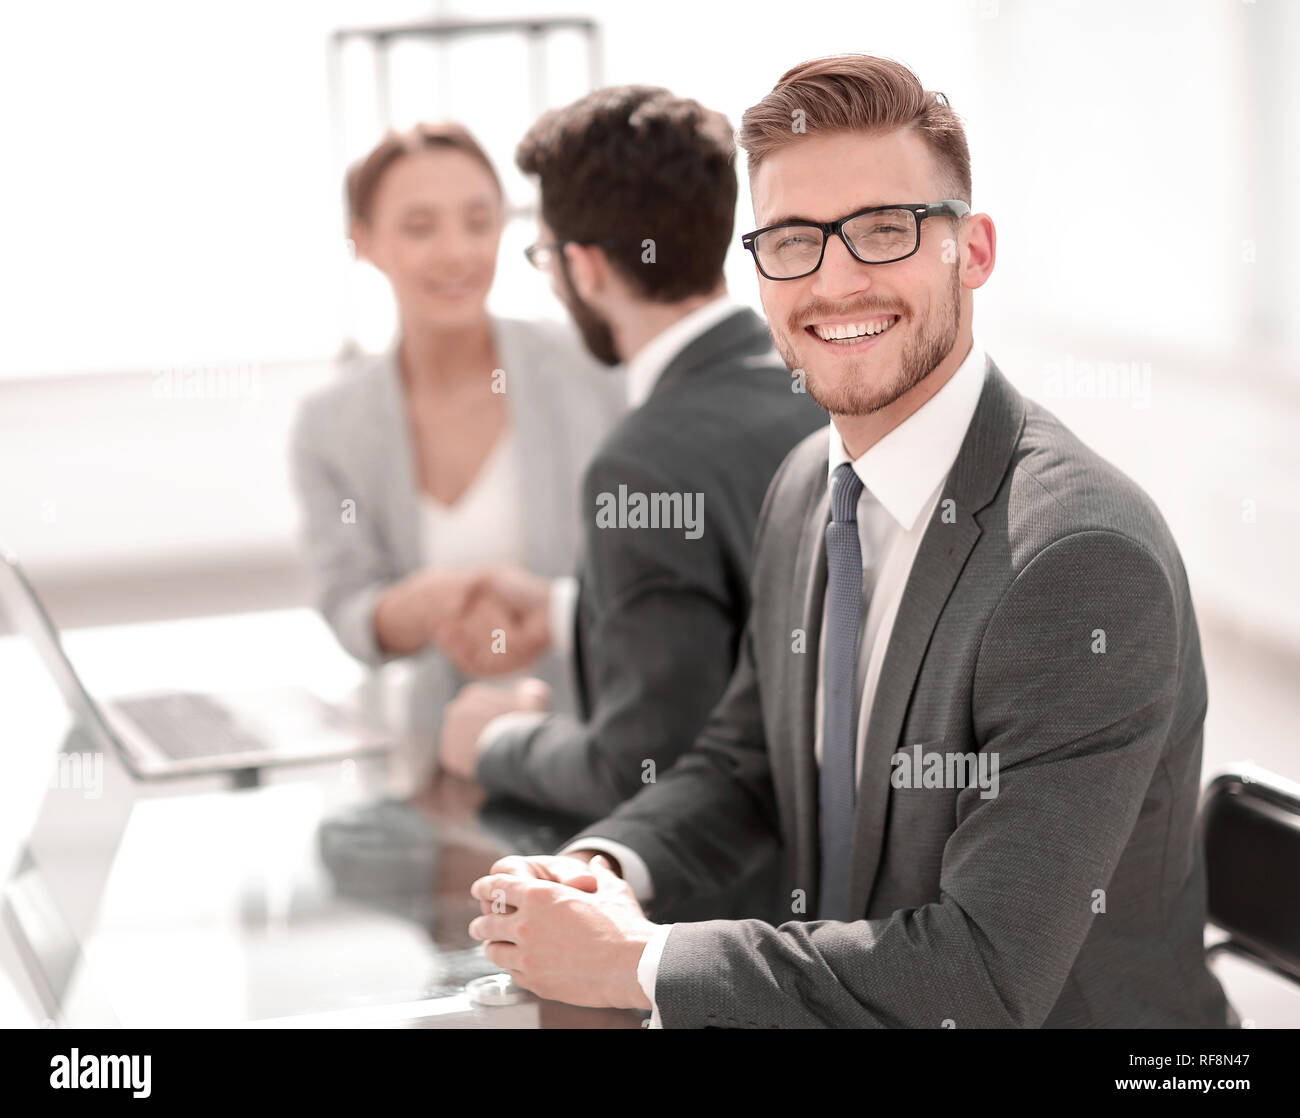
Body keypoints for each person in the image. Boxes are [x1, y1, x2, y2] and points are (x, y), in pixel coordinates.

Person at [464, 55, 1239, 1029]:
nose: (835, 280)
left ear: (973, 250)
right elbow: (748, 764)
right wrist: (601, 868)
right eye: (793, 240)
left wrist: (639, 961)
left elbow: (979, 977)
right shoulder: (806, 485)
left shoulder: (1078, 563)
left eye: (883, 229)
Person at [434, 86, 826, 847]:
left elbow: (644, 772)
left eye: (545, 257)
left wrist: (497, 741)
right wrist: (568, 610)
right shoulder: (817, 380)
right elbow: (749, 622)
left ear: (585, 268)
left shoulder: (642, 463)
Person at [290, 123, 623, 780]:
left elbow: (657, 575)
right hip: (430, 762)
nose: (457, 253)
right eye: (420, 227)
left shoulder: (592, 370)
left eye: (478, 222)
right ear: (364, 242)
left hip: (595, 746)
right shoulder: (330, 425)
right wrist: (415, 606)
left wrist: (551, 611)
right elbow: (346, 602)